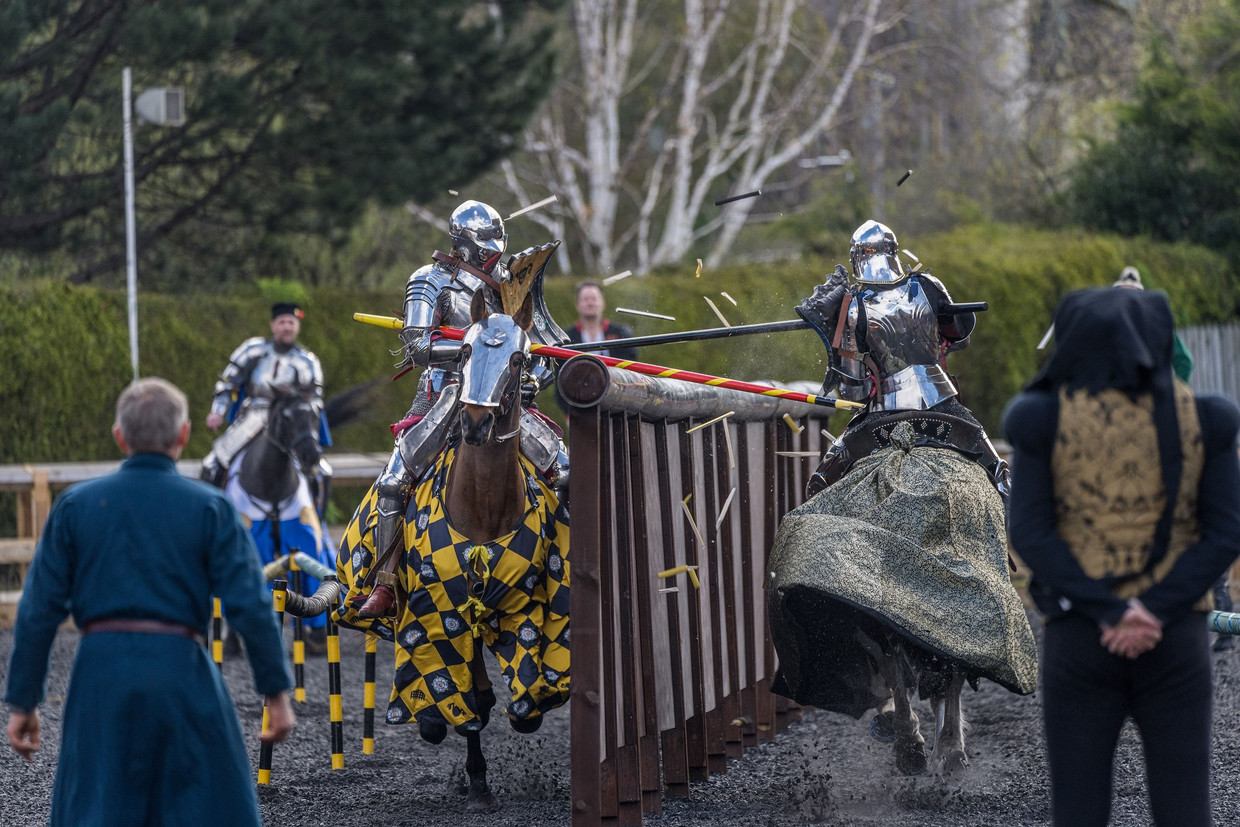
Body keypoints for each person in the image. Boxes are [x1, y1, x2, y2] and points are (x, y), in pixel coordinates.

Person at [5, 377, 295, 826]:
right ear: (183, 436)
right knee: (203, 807)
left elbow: (38, 611)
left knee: (100, 807)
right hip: (183, 671)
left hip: (100, 677)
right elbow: (251, 605)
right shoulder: (211, 508)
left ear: (119, 437)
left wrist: (24, 701)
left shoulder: (74, 506)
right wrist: (275, 691)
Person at [1003, 286, 1240, 826]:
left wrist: (1112, 612)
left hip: (1081, 637)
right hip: (1176, 636)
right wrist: (1152, 610)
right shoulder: (1210, 419)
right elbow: (1226, 534)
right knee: (1185, 810)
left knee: (1079, 812)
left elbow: (1033, 535)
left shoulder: (1040, 418)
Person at [347, 200, 568, 621]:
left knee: (567, 472)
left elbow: (543, 347)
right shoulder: (431, 281)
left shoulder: (512, 285)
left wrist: (534, 376)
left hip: (506, 400)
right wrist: (473, 351)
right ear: (463, 241)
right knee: (394, 482)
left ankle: (569, 573)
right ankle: (386, 584)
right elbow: (417, 346)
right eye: (485, 242)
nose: (494, 252)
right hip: (447, 394)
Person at [203, 301, 334, 649]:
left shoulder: (308, 360)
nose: (286, 328)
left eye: (291, 322)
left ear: (297, 326)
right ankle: (211, 522)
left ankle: (317, 519)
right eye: (281, 322)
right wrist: (218, 411)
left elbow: (317, 400)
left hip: (293, 424)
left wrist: (307, 432)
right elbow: (227, 383)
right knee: (213, 462)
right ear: (273, 325)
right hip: (254, 418)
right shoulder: (252, 350)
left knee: (322, 470)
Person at [554, 280, 639, 413]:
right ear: (578, 305)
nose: (590, 303)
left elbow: (632, 374)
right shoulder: (566, 339)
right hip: (580, 408)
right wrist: (569, 413)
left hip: (618, 407)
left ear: (602, 303)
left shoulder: (621, 333)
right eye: (586, 299)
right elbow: (561, 381)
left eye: (594, 298)